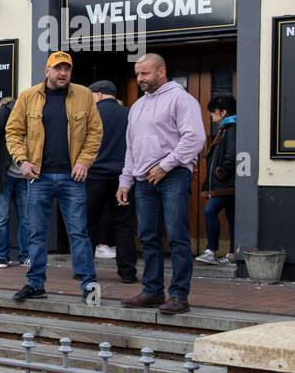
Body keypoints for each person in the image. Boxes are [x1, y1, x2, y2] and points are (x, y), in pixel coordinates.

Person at [4, 51, 104, 302]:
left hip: (73, 177)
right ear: (46, 71)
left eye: (67, 69)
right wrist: (22, 161)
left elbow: (95, 132)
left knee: (78, 232)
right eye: (57, 68)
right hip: (39, 176)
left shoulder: (83, 95)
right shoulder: (28, 97)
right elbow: (13, 131)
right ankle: (35, 284)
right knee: (36, 232)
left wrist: (84, 161)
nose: (63, 73)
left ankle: (88, 285)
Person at [117, 53, 206, 315]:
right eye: (137, 74)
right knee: (148, 237)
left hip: (174, 175)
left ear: (161, 71)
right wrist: (126, 180)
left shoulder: (181, 99)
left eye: (145, 73)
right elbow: (131, 148)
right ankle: (153, 291)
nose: (140, 78)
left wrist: (165, 165)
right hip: (144, 180)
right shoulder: (137, 106)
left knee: (177, 236)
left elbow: (195, 138)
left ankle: (179, 296)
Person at [84, 80, 138, 284]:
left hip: (94, 175)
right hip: (123, 178)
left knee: (88, 223)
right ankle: (127, 272)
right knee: (124, 224)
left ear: (98, 95)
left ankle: (84, 269)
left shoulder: (91, 114)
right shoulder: (130, 114)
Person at [0, 95, 34, 268]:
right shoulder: (5, 113)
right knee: (1, 217)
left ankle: (25, 255)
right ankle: (1, 255)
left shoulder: (36, 117)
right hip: (4, 175)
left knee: (27, 219)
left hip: (26, 177)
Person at [197, 94, 238, 266]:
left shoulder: (231, 128)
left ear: (223, 112)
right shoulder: (226, 128)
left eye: (213, 112)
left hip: (225, 184)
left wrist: (220, 173)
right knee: (231, 216)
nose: (211, 116)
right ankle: (232, 253)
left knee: (210, 211)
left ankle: (211, 251)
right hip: (228, 184)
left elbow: (230, 156)